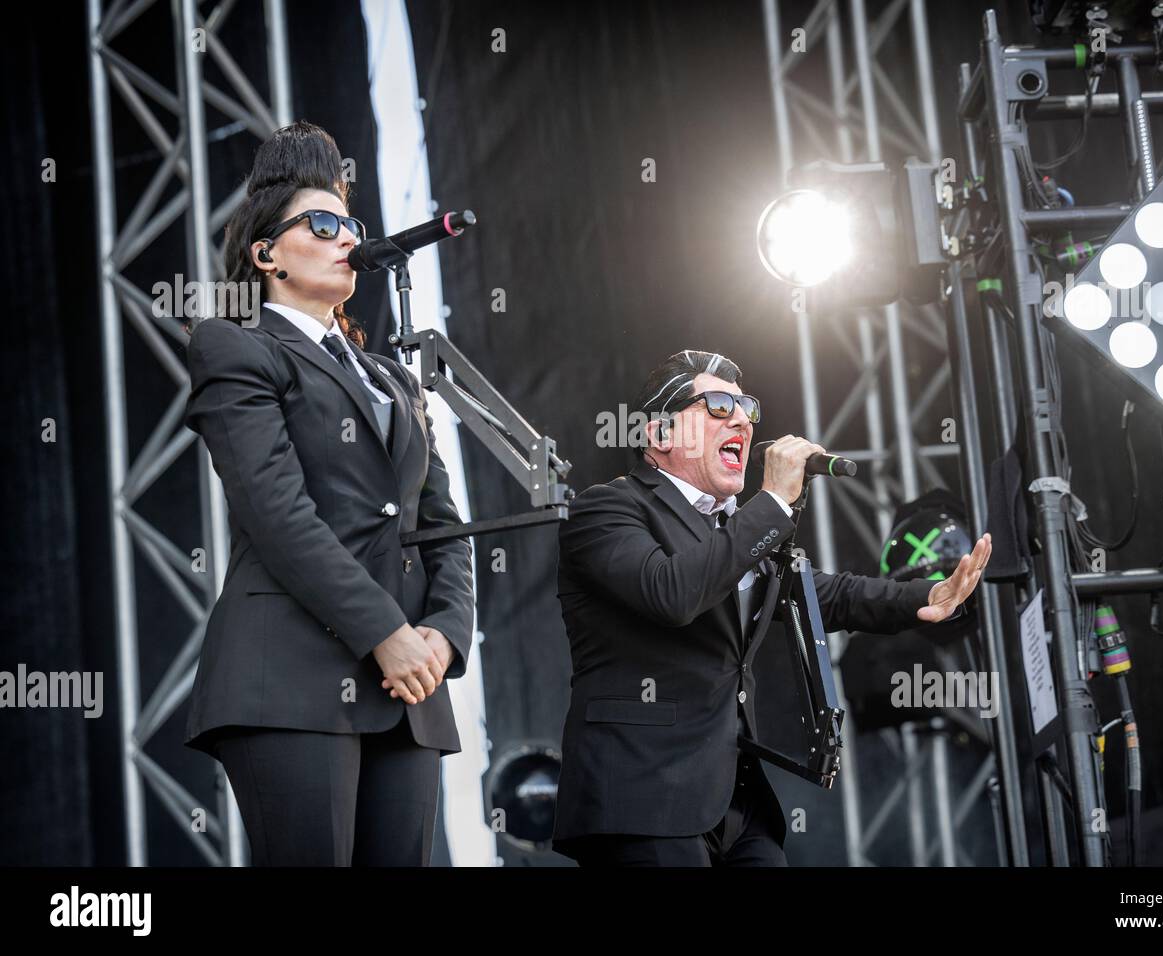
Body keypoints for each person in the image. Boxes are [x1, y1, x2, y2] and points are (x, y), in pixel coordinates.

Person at [551, 349, 991, 866]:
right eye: (717, 405)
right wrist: (773, 504)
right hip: (641, 796)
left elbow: (820, 594)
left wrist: (924, 596)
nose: (742, 418)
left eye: (747, 408)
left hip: (738, 803)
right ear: (660, 434)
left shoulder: (728, 530)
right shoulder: (606, 508)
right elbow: (671, 592)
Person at [182, 121, 474, 866]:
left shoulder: (392, 377)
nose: (346, 235)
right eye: (322, 222)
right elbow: (276, 513)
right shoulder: (234, 345)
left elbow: (439, 521)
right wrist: (386, 632)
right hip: (290, 674)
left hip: (409, 684)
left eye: (351, 224)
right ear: (266, 254)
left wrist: (444, 631)